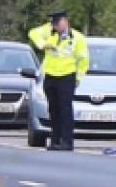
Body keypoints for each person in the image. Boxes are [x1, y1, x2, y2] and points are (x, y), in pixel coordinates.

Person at [28, 10, 89, 151]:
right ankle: (55, 140)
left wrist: (78, 78)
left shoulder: (77, 38)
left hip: (67, 77)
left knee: (65, 110)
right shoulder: (48, 31)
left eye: (58, 23)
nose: (56, 27)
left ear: (66, 22)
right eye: (54, 24)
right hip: (50, 76)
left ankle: (67, 141)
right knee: (53, 109)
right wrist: (43, 44)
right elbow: (32, 33)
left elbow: (83, 60)